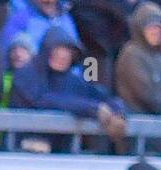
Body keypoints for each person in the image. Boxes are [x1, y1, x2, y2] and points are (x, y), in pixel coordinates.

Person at [8, 24, 129, 152]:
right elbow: (42, 99)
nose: (61, 57)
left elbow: (101, 96)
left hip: (62, 150)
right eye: (56, 52)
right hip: (24, 145)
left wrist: (117, 112)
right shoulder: (26, 74)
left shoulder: (73, 80)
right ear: (46, 51)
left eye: (66, 53)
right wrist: (92, 109)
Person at [116, 1, 161, 119]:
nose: (155, 32)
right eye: (150, 27)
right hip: (140, 126)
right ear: (140, 29)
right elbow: (146, 94)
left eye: (159, 28)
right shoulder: (131, 53)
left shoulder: (160, 58)